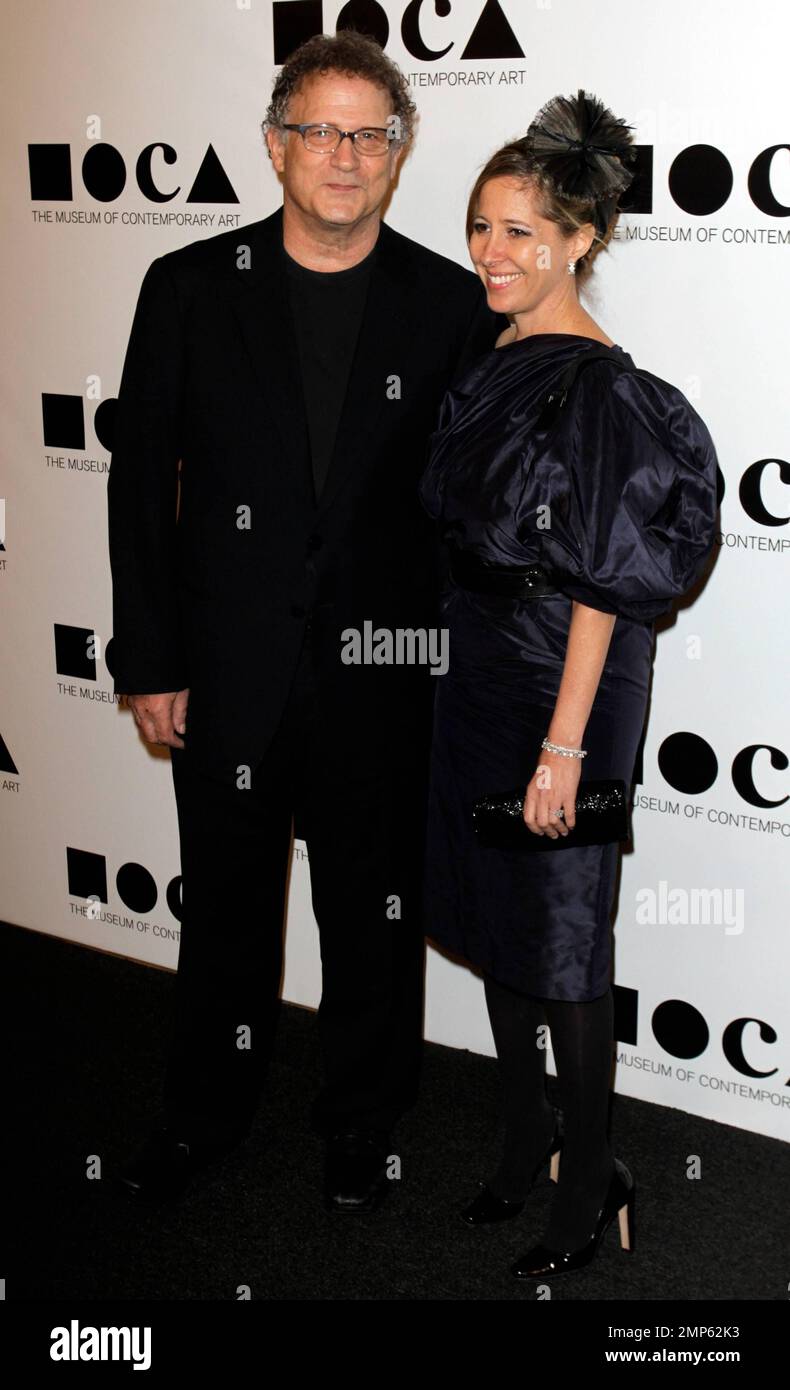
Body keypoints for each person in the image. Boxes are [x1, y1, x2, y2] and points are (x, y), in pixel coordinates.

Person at [107, 30, 503, 1210]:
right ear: (276, 145)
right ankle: (203, 1114)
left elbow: (468, 509)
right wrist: (151, 653)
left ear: (399, 152)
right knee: (225, 908)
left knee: (370, 918)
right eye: (319, 129)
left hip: (385, 677)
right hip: (225, 668)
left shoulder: (447, 304)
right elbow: (140, 486)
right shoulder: (185, 287)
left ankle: (364, 1124)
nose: (344, 154)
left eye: (369, 134)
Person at [418, 89, 719, 1276]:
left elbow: (602, 583)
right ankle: (523, 1136)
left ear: (581, 241)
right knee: (501, 921)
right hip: (483, 671)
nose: (492, 254)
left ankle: (591, 1177)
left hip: (568, 683)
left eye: (522, 234)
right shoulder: (493, 350)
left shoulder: (600, 388)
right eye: (481, 228)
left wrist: (563, 748)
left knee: (562, 935)